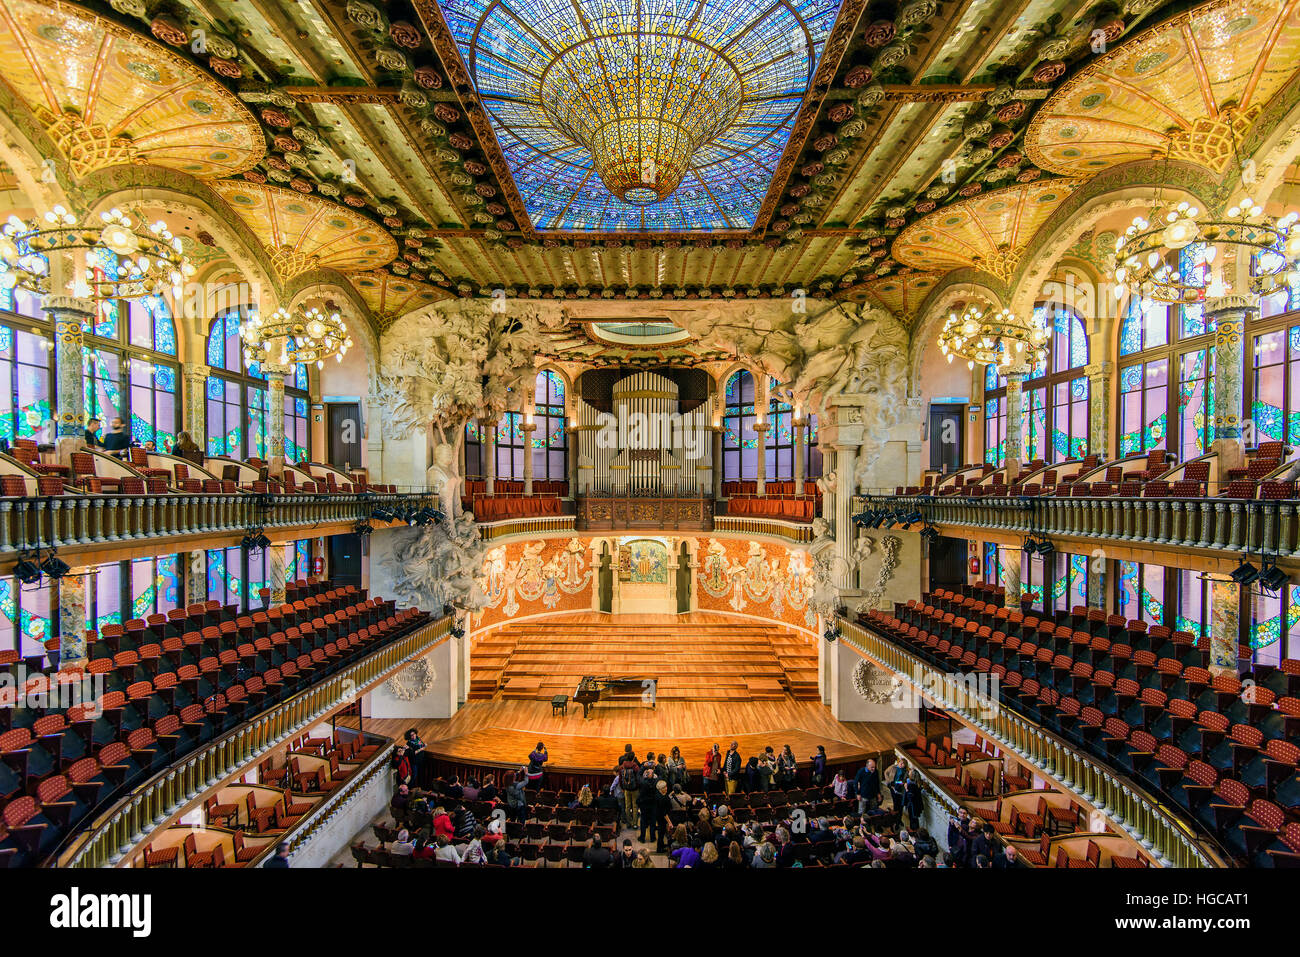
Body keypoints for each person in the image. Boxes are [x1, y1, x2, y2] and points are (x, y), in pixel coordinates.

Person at [617, 747, 641, 826]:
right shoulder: (635, 767)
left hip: (626, 789)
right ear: (633, 758)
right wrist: (638, 787)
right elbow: (638, 778)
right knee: (635, 807)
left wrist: (623, 788)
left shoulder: (622, 767)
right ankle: (634, 824)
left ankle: (628, 823)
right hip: (635, 789)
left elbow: (620, 779)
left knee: (627, 806)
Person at [636, 768, 659, 844]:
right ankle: (652, 838)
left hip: (644, 805)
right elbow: (662, 776)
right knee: (653, 822)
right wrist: (656, 766)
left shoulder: (643, 782)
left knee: (643, 821)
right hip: (653, 805)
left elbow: (638, 775)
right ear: (653, 775)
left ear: (646, 774)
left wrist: (643, 767)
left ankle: (642, 838)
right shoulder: (656, 782)